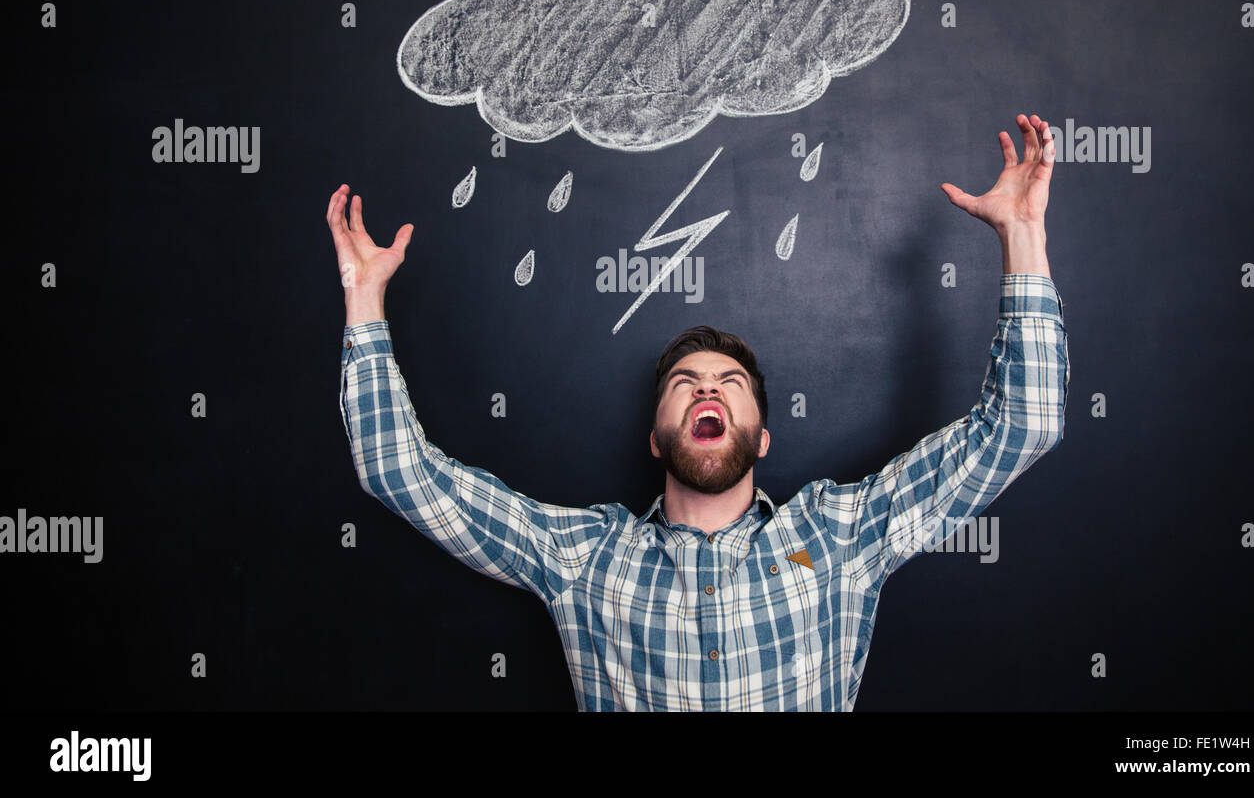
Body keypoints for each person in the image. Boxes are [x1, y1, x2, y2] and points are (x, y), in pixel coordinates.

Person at [327, 113, 1070, 711]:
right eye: (684, 382)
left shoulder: (840, 536)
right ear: (655, 437)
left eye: (728, 383)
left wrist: (1021, 234)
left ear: (762, 435)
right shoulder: (583, 558)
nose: (707, 389)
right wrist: (364, 301)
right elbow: (400, 474)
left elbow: (1022, 425)